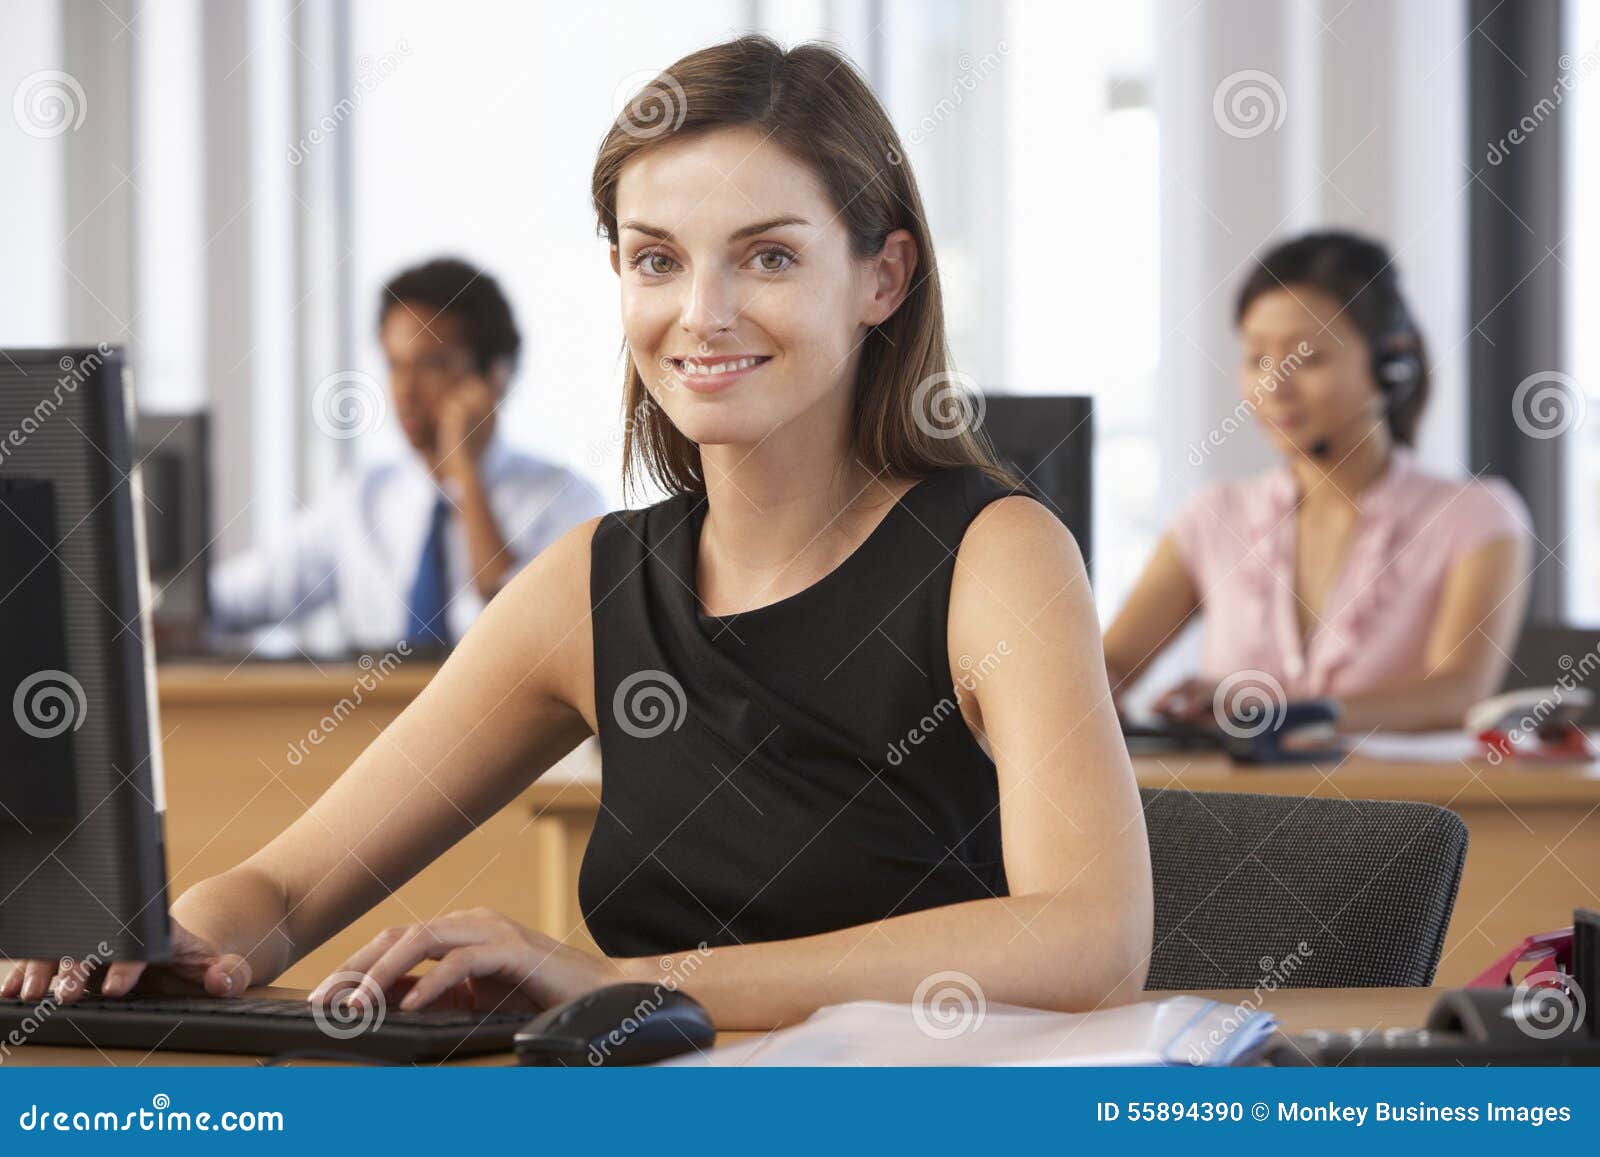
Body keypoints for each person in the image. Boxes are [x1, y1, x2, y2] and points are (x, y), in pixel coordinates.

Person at [6, 36, 1151, 1028]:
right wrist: (148, 945)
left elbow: (1090, 937)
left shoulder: (993, 555)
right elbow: (288, 889)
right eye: (657, 259)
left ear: (882, 277)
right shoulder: (594, 585)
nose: (700, 313)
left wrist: (630, 982)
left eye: (768, 255)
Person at [1105, 231, 1532, 734]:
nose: (1275, 385)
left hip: (1402, 811)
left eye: (1308, 358)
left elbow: (1458, 693)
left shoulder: (1476, 516)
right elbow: (1109, 668)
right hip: (1239, 813)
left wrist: (1275, 716)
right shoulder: (1215, 514)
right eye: (1258, 358)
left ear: (1388, 367)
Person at [209, 257, 606, 651]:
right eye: (395, 365)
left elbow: (534, 626)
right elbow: (232, 598)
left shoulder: (563, 499)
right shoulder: (362, 497)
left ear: (493, 377)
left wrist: (463, 474)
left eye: (431, 366)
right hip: (378, 714)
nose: (405, 391)